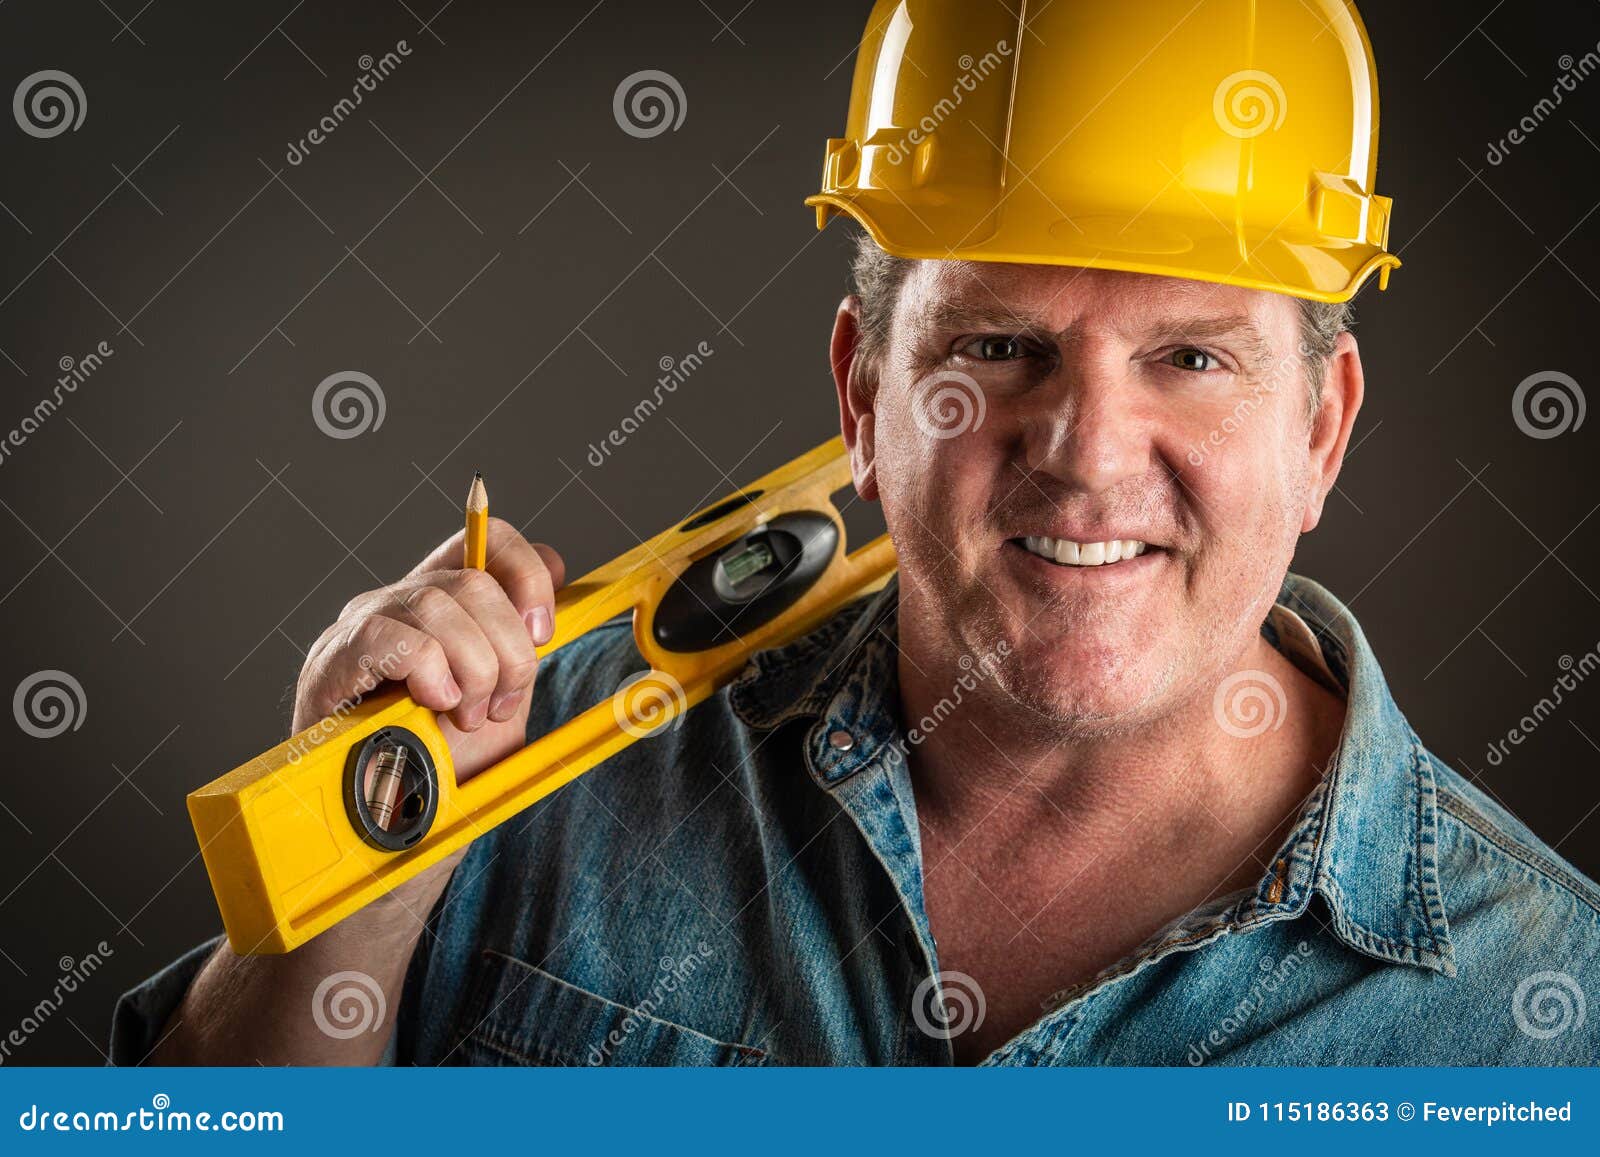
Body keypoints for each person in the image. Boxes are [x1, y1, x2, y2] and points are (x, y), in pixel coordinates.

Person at [112, 0, 1598, 1065]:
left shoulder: (1540, 1011)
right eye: (1001, 347)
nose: (1083, 455)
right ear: (863, 399)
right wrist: (356, 888)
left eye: (1191, 358)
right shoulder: (527, 761)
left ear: (1323, 425)